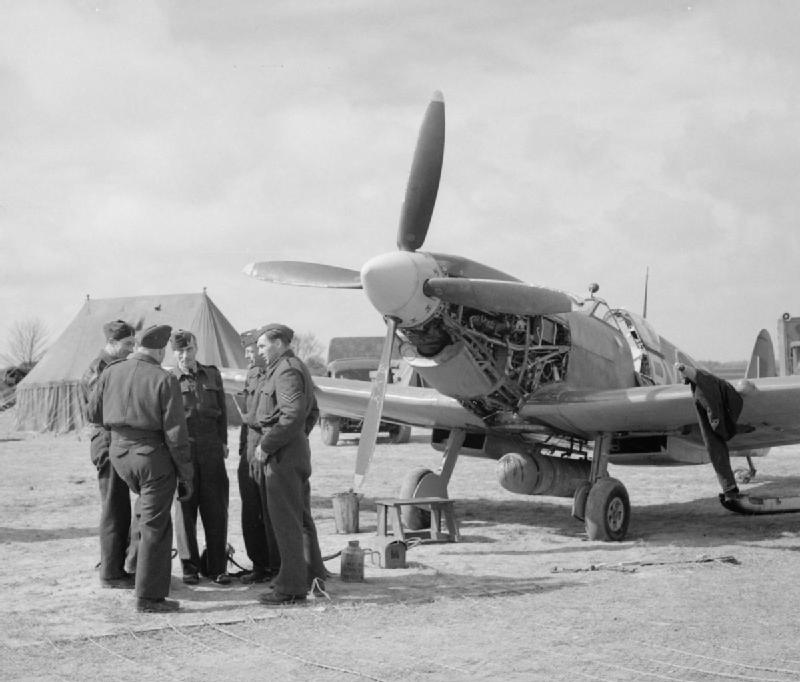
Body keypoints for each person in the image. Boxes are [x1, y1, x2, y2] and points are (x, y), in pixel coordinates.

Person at [88, 324, 194, 613]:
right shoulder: (164, 378)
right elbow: (175, 433)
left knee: (122, 511)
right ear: (160, 350)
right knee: (155, 526)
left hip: (119, 454)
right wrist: (185, 472)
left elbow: (92, 413)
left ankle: (119, 570)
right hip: (151, 458)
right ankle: (149, 596)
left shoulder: (110, 371)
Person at [251, 323, 326, 606]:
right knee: (300, 518)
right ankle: (311, 576)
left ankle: (291, 588)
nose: (259, 351)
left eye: (262, 345)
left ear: (279, 343)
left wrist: (268, 445)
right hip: (291, 451)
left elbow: (294, 415)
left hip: (281, 456)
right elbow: (312, 411)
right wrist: (297, 440)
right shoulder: (291, 368)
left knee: (286, 523)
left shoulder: (286, 371)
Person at [170, 330, 231, 585]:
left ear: (196, 348)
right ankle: (190, 567)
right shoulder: (168, 379)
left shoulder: (212, 374)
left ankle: (217, 566)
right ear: (173, 353)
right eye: (180, 351)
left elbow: (222, 412)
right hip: (185, 452)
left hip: (212, 450)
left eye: (190, 349)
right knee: (185, 510)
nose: (185, 355)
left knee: (216, 508)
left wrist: (223, 440)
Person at [83, 319, 138, 588]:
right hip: (107, 439)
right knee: (114, 506)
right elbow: (99, 410)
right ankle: (111, 573)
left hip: (117, 439)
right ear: (112, 343)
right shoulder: (99, 369)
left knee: (120, 505)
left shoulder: (115, 366)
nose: (132, 348)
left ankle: (116, 561)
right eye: (127, 344)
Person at [236, 331, 273, 584]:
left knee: (269, 511)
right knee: (250, 511)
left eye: (253, 351)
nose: (250, 356)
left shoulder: (275, 374)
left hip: (265, 450)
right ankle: (259, 564)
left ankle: (275, 564)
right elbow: (245, 417)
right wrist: (242, 451)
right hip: (248, 451)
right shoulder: (251, 374)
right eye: (248, 352)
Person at [675, 362, 743, 499]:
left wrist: (717, 427)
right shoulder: (702, 383)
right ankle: (730, 488)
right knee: (715, 448)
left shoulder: (702, 388)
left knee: (715, 447)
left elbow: (713, 414)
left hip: (713, 431)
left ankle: (730, 489)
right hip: (714, 428)